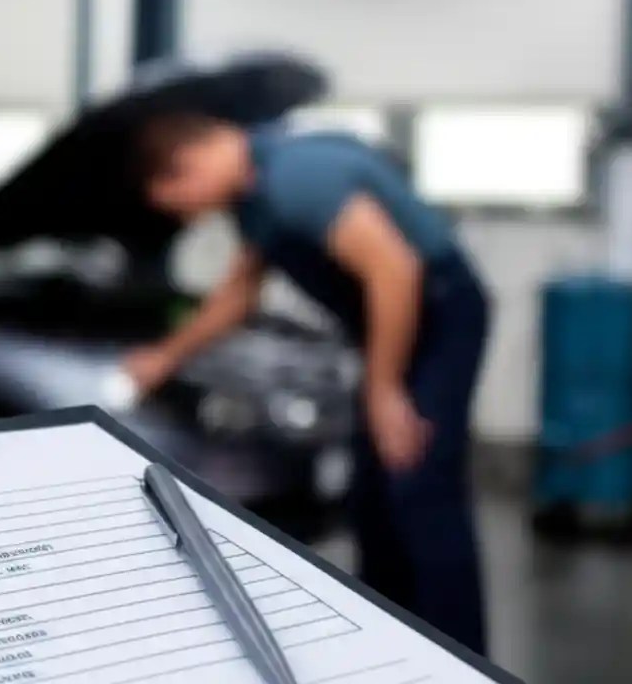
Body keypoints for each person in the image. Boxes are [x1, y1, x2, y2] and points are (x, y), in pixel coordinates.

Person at [123, 113, 490, 654]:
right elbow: (238, 296)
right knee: (372, 496)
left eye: (180, 204)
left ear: (188, 166)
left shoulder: (298, 177)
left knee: (419, 482)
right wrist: (164, 358)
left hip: (439, 317)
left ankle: (459, 657)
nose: (190, 217)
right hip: (394, 329)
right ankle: (393, 647)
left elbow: (396, 271)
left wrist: (384, 390)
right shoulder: (253, 197)